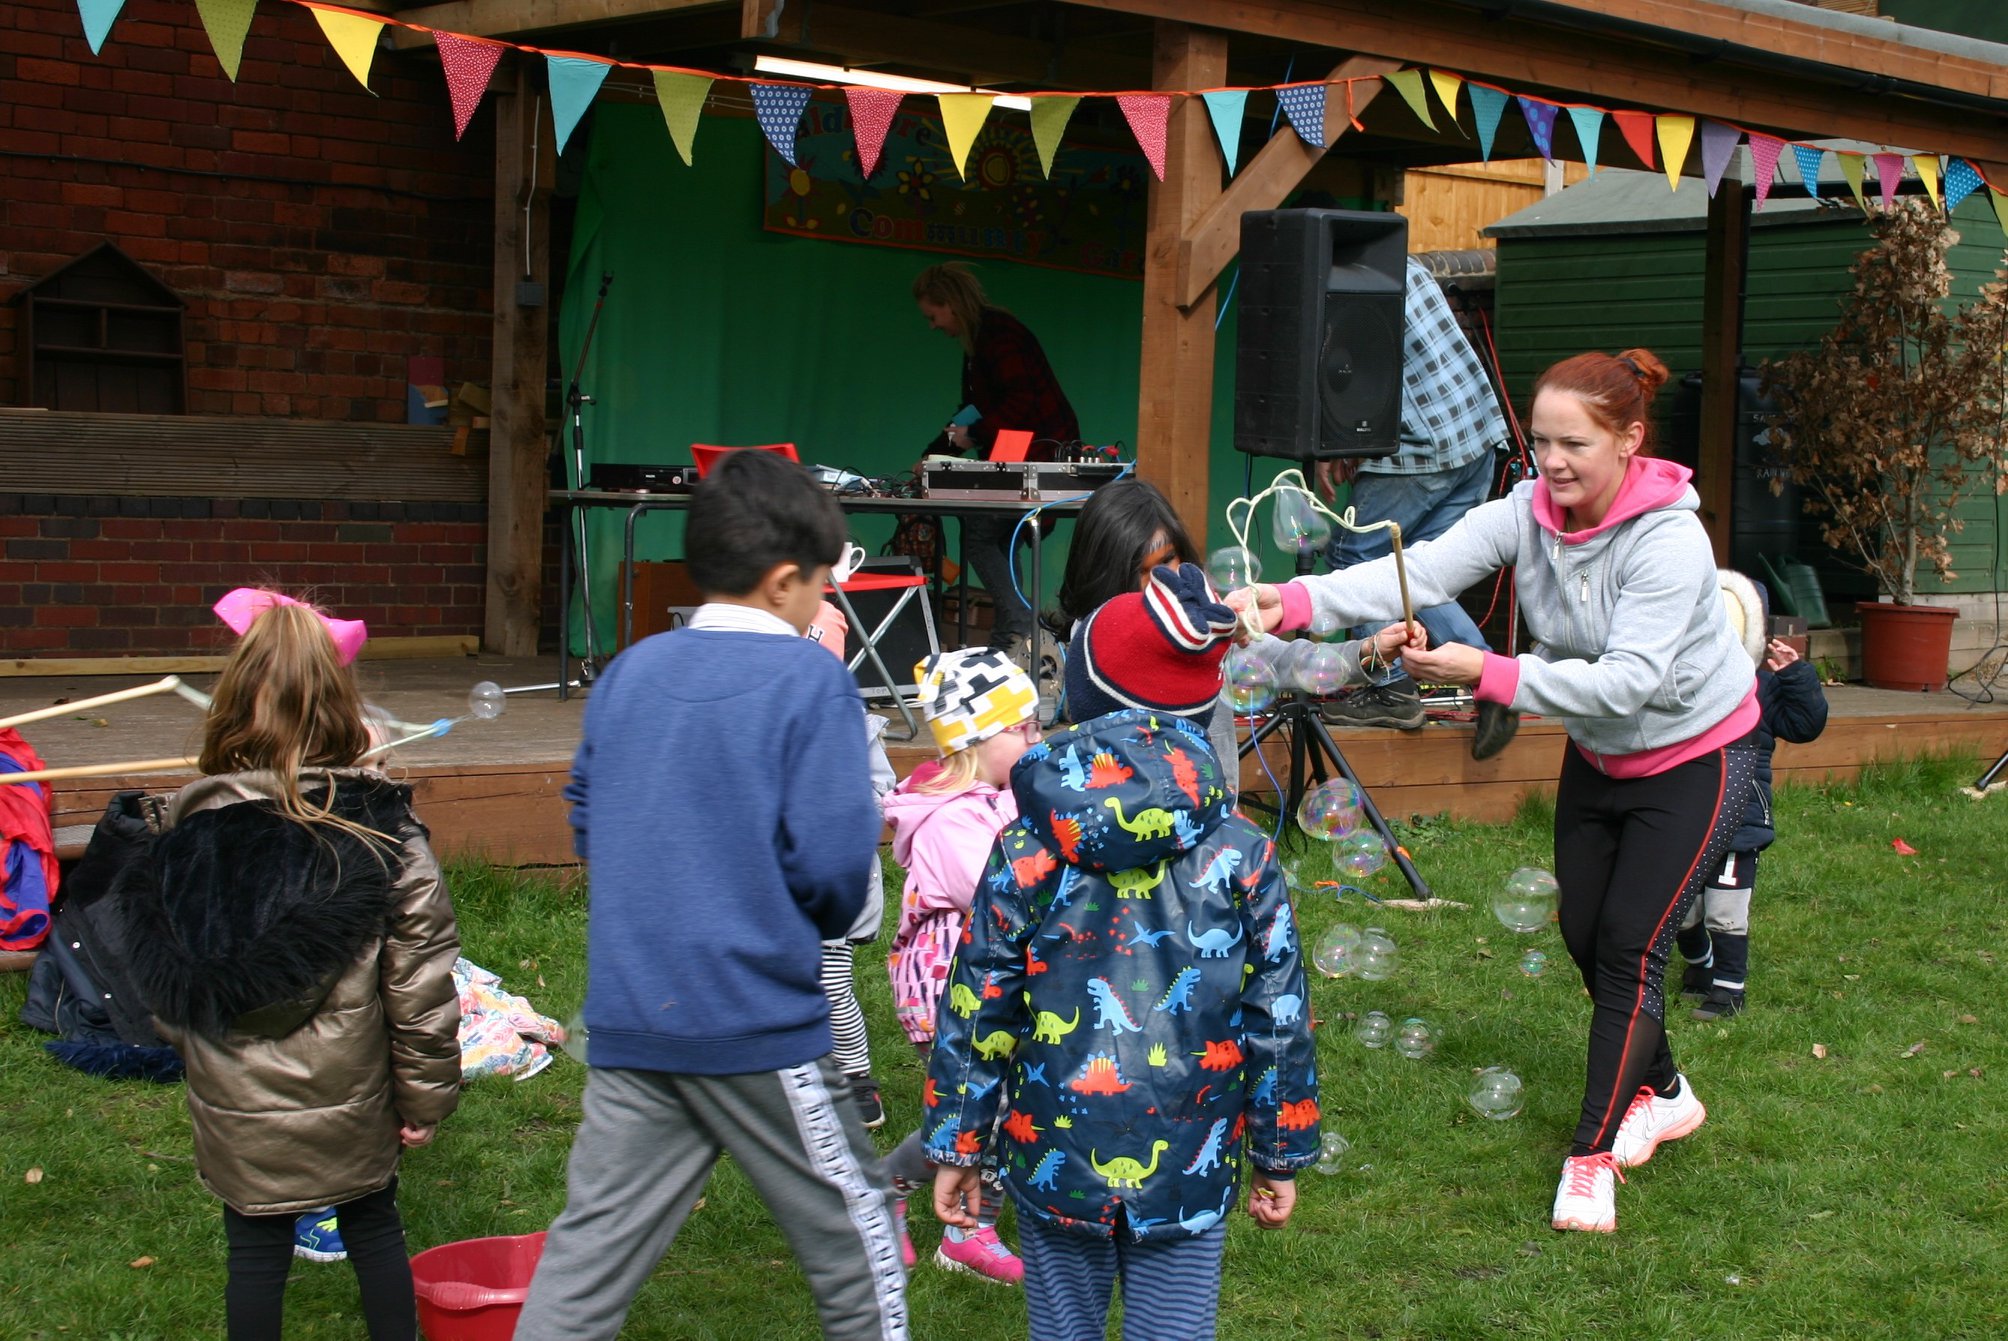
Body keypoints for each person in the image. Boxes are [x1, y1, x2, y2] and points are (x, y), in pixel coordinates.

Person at [1236, 348, 1760, 1236]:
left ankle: (1588, 1160)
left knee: (1630, 947)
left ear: (1630, 441)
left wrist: (1487, 671)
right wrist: (1292, 599)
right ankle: (1664, 1089)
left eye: (1575, 445)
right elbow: (1424, 569)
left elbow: (1628, 682)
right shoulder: (1527, 510)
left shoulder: (1670, 539)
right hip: (1599, 758)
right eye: (1544, 442)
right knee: (1585, 934)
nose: (1553, 463)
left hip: (1697, 755)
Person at [516, 448, 905, 1340]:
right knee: (861, 1240)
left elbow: (588, 811)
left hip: (632, 1020)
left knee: (585, 1260)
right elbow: (839, 866)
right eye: (822, 583)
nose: (827, 600)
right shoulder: (813, 682)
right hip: (758, 1025)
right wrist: (789, 912)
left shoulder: (630, 672)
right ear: (782, 582)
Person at [113, 589, 461, 1341]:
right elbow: (421, 981)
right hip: (354, 1100)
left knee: (255, 1252)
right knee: (374, 1229)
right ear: (343, 707)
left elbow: (168, 986)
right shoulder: (387, 833)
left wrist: (202, 1056)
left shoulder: (188, 828)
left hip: (235, 1103)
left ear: (232, 700)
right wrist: (426, 1099)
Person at [924, 703, 1319, 1341]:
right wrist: (1277, 1155)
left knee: (1063, 1330)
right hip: (1189, 1146)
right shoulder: (1242, 846)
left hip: (1056, 1141)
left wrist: (958, 1145)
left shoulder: (1026, 847)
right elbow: (1279, 1019)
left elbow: (977, 1010)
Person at [880, 646, 1042, 1286]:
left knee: (1003, 1106)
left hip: (999, 985)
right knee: (984, 1109)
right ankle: (892, 1189)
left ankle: (966, 1228)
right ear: (975, 738)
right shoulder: (950, 822)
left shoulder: (1002, 795)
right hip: (951, 993)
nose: (1035, 738)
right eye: (1021, 727)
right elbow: (1007, 895)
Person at [1316, 256, 1518, 761]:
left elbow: (1360, 373)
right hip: (1475, 439)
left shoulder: (1338, 280)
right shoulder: (1401, 262)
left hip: (1417, 449)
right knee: (1419, 572)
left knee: (1358, 558)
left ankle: (1391, 688)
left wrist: (1338, 445)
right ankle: (1494, 682)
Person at [1675, 571, 1829, 1022]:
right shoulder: (1682, 674)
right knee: (1681, 910)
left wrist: (1796, 675)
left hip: (1739, 815)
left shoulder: (1763, 684)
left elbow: (1805, 725)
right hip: (1684, 812)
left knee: (1725, 910)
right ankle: (1700, 965)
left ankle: (1729, 991)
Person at [915, 262, 1081, 660]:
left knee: (981, 532)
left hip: (1041, 455)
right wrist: (935, 454)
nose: (932, 325)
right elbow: (973, 410)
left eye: (932, 315)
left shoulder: (999, 336)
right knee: (1000, 539)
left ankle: (1024, 626)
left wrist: (971, 436)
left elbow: (1018, 406)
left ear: (950, 305)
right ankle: (1010, 646)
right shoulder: (981, 342)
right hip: (1018, 456)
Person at [1047, 478, 1241, 785]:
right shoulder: (1094, 636)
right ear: (1104, 572)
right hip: (1132, 802)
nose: (1158, 580)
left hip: (1215, 799)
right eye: (1139, 570)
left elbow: (1263, 652)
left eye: (1167, 560)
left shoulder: (1201, 621)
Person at [807, 599, 899, 1128]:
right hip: (770, 881)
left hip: (831, 879)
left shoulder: (855, 728)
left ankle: (856, 1077)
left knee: (832, 978)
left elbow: (880, 793)